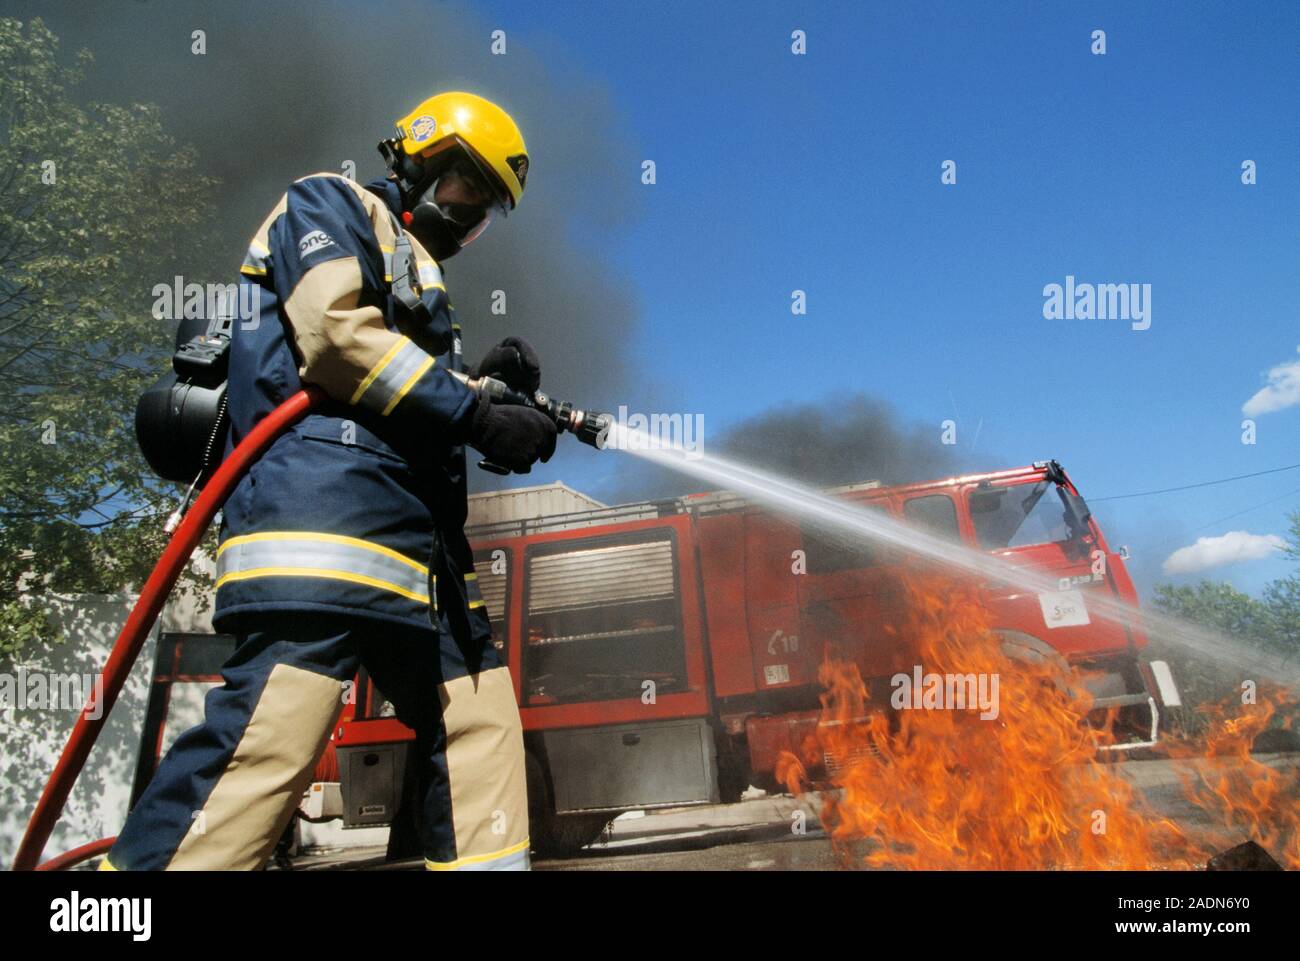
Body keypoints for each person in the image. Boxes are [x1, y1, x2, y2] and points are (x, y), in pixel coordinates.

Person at [103, 91, 553, 871]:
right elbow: (340, 338)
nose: (467, 219)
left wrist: (483, 392)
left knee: (482, 727)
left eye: (482, 211)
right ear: (418, 160)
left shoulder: (425, 276)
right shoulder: (328, 202)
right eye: (464, 189)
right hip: (324, 542)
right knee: (267, 749)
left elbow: (407, 389)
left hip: (425, 568)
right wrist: (473, 415)